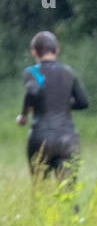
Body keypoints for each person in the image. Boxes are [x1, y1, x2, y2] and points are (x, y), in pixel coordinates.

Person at [17, 31, 89, 181]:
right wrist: (64, 104)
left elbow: (32, 92)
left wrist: (24, 115)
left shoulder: (31, 72)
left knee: (40, 191)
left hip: (40, 139)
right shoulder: (68, 72)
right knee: (68, 193)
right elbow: (83, 102)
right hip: (68, 139)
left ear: (34, 51)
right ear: (56, 50)